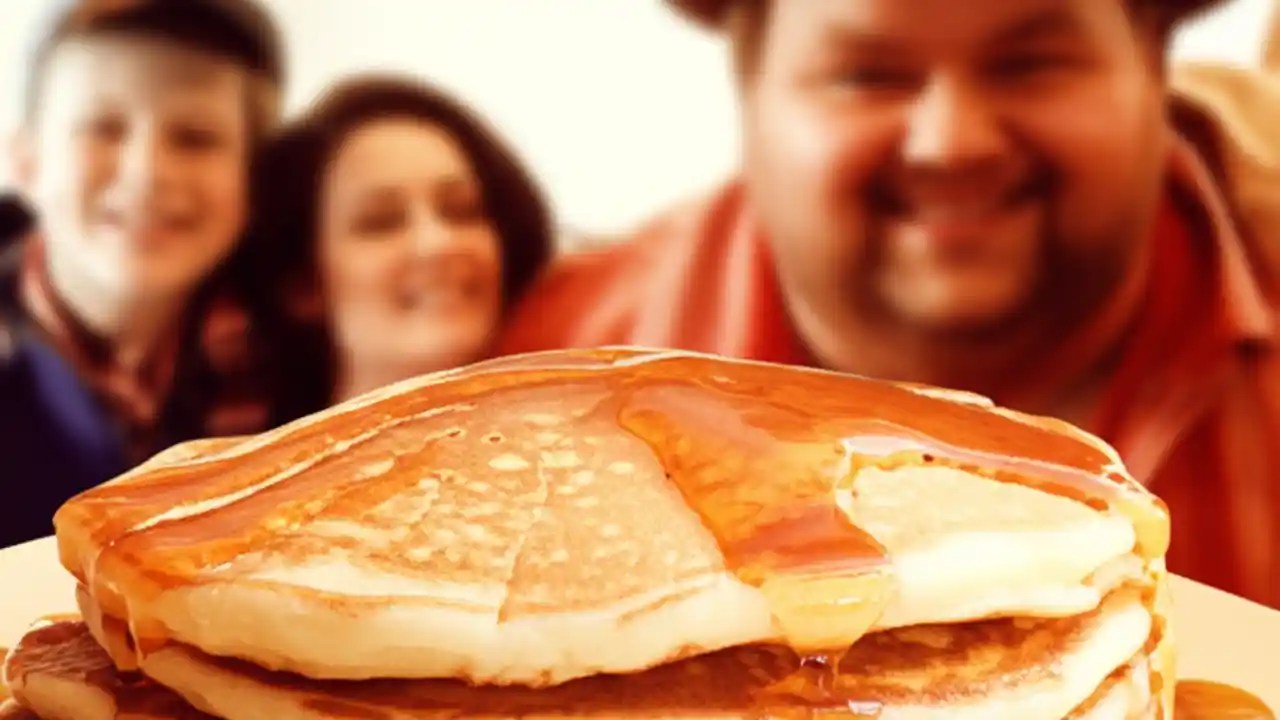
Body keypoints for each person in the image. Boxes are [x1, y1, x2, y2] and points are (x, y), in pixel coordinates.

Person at [502, 0, 1280, 608]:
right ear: (751, 91)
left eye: (1031, 64)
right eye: (868, 74)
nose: (951, 142)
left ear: (1151, 69)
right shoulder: (531, 377)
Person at [0, 0, 285, 547]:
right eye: (102, 128)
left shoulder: (298, 363)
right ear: (26, 161)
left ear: (252, 178)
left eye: (196, 138)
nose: (147, 171)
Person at [245, 75, 552, 414]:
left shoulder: (591, 442)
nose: (438, 242)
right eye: (382, 222)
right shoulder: (238, 465)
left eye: (463, 210)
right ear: (304, 285)